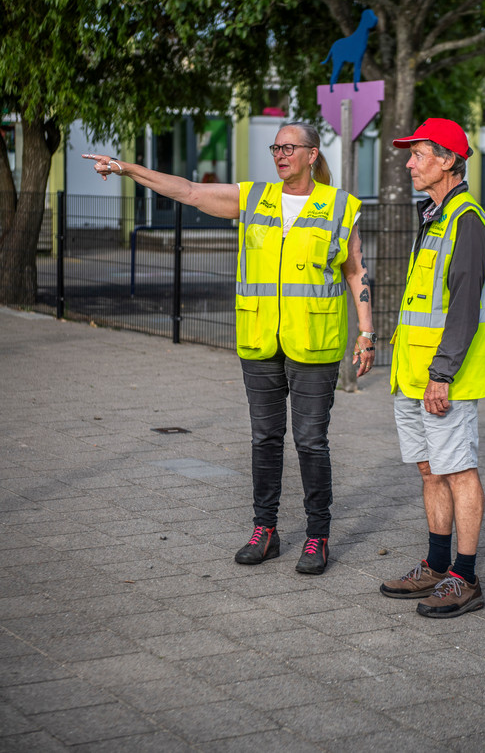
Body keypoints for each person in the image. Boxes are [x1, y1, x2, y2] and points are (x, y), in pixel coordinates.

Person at [84, 122, 376, 575]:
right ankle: (266, 531)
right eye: (275, 146)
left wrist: (366, 332)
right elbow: (184, 190)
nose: (280, 154)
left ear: (312, 154)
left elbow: (356, 272)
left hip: (314, 345)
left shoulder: (340, 206)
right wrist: (126, 168)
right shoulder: (255, 198)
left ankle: (317, 536)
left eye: (289, 147)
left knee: (311, 442)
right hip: (260, 340)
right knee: (264, 438)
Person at [379, 118, 485, 618]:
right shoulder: (435, 214)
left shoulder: (466, 219)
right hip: (414, 374)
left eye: (419, 154)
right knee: (431, 471)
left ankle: (464, 579)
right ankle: (436, 564)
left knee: (458, 472)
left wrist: (442, 374)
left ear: (448, 160)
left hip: (442, 377)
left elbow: (464, 308)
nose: (409, 163)